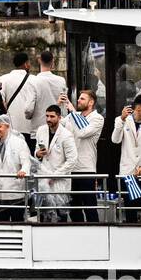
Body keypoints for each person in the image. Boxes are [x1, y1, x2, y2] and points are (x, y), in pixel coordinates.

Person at [111, 93, 141, 222]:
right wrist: (121, 119)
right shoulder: (122, 120)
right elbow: (115, 140)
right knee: (130, 209)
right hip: (129, 171)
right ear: (138, 108)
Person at [59, 89, 103, 223]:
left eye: (82, 99)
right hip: (70, 169)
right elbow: (59, 126)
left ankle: (95, 234)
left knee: (90, 207)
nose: (78, 100)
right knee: (73, 208)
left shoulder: (98, 118)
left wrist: (72, 112)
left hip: (86, 169)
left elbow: (83, 132)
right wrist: (59, 106)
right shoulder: (75, 115)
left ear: (91, 102)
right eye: (78, 98)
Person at [34, 105, 79, 223]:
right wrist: (38, 154)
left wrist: (55, 175)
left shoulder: (66, 135)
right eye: (47, 116)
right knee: (44, 216)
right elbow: (36, 152)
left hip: (60, 182)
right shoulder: (41, 130)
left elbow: (72, 160)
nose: (48, 119)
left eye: (52, 116)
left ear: (59, 117)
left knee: (60, 216)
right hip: (43, 181)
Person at [0, 115, 31, 222]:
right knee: (0, 224)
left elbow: (26, 161)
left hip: (16, 191)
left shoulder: (19, 143)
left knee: (17, 222)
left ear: (7, 126)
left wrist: (23, 171)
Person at [0, 51, 38, 148]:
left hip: (10, 126)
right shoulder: (34, 79)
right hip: (29, 127)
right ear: (26, 64)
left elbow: (1, 102)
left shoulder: (3, 79)